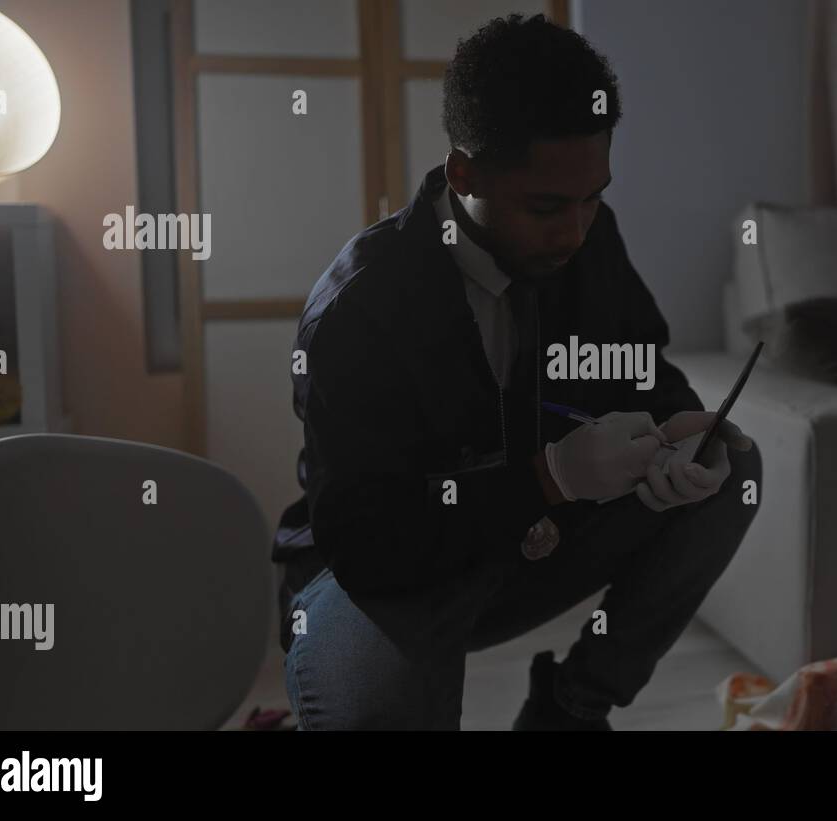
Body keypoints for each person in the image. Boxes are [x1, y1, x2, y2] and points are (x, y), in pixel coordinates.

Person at [271, 12, 761, 730]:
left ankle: (569, 707)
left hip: (532, 545)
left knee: (737, 470)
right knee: (374, 705)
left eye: (594, 196)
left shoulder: (590, 238)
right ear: (463, 170)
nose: (575, 228)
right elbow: (370, 542)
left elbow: (640, 373)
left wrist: (681, 431)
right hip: (375, 576)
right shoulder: (361, 306)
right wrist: (549, 477)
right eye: (546, 206)